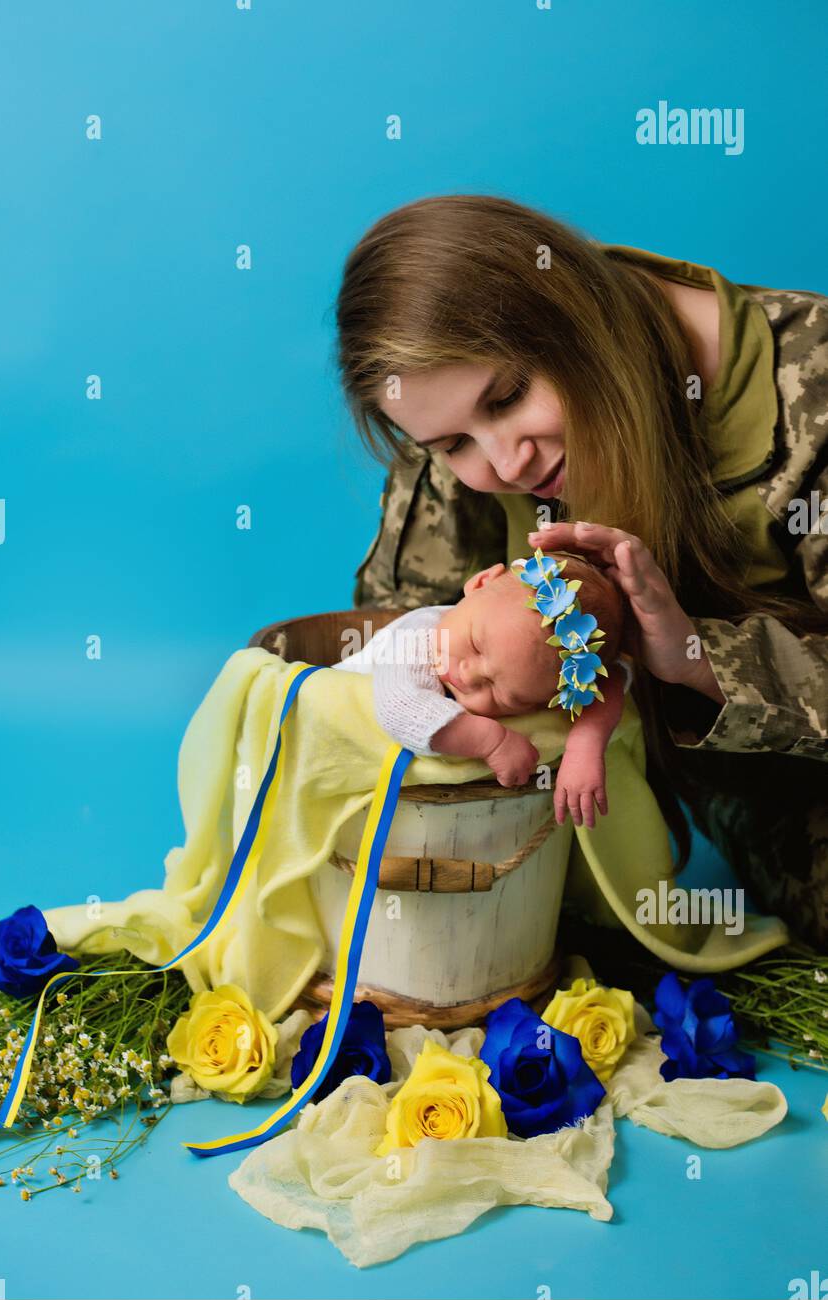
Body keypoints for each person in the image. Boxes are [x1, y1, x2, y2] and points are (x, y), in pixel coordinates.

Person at [335, 193, 828, 947]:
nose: (503, 462)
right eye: (451, 445)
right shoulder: (449, 415)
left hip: (786, 772)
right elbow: (400, 641)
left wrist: (698, 657)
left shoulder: (811, 378)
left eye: (508, 398)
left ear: (572, 314)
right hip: (580, 793)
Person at [334, 550, 630, 824]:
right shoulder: (416, 638)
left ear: (538, 702)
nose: (469, 675)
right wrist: (493, 742)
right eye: (475, 644)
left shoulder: (490, 634)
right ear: (480, 583)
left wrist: (585, 746)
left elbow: (613, 677)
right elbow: (398, 708)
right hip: (330, 732)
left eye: (503, 694)